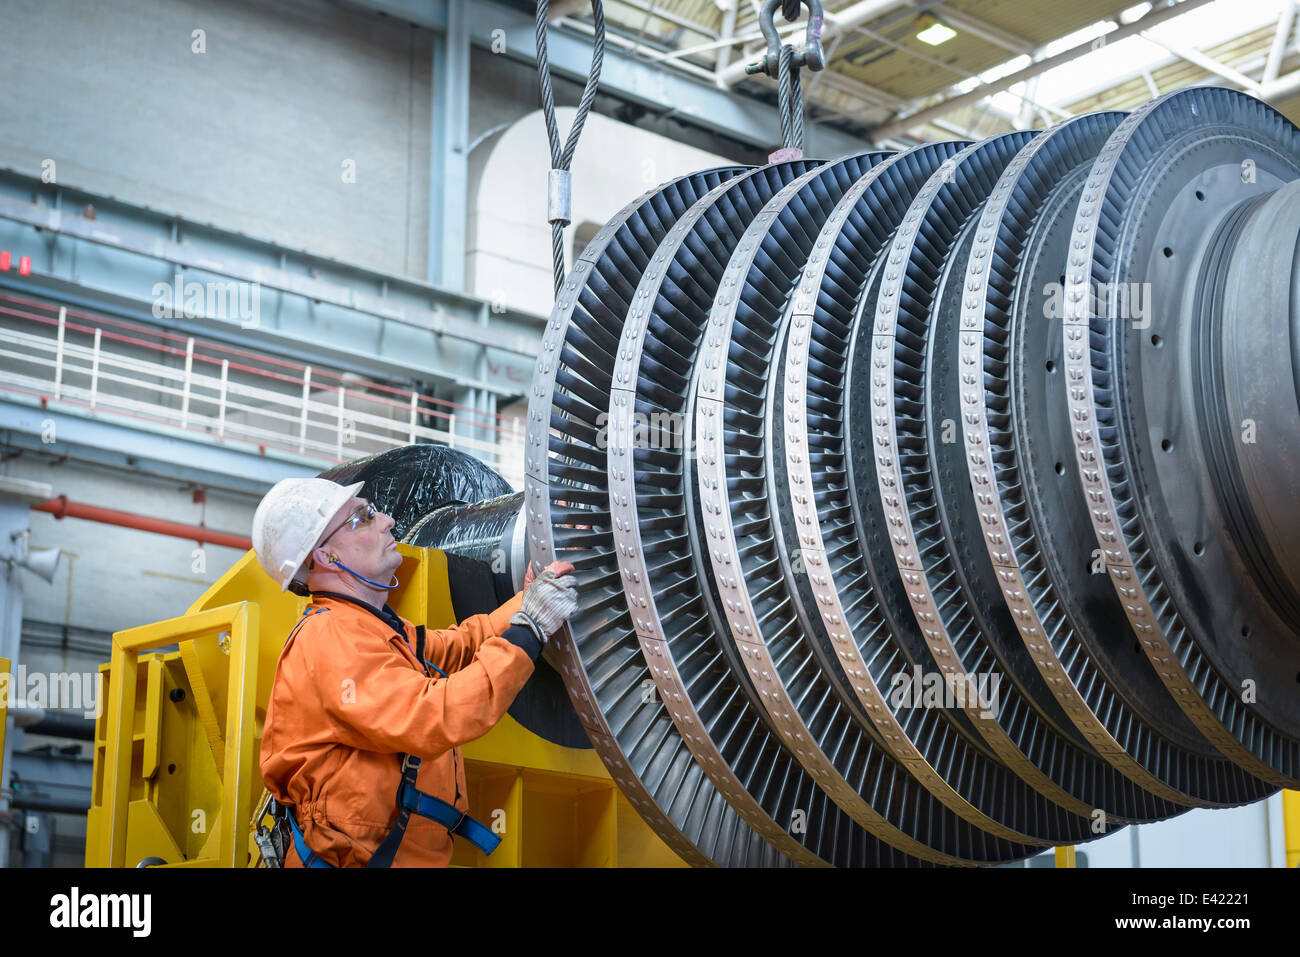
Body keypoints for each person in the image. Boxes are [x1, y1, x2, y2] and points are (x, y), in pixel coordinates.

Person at [250, 476, 577, 867]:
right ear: (325, 556)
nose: (387, 520)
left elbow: (458, 647)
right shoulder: (331, 637)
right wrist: (531, 629)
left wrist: (528, 598)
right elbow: (436, 714)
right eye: (362, 517)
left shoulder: (374, 628)